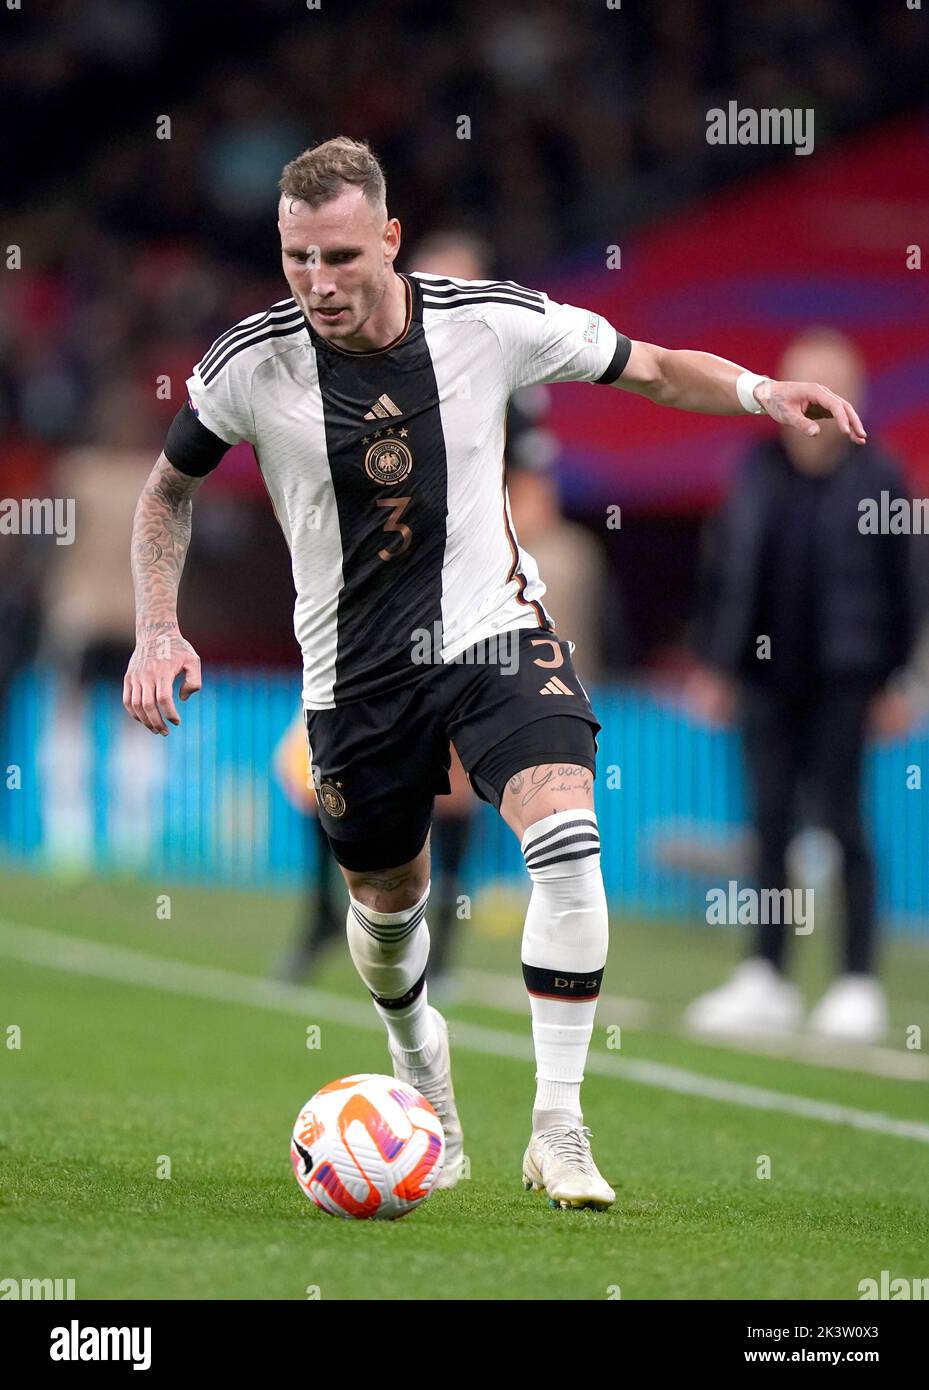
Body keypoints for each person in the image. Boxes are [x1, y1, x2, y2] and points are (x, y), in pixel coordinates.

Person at [123, 137, 866, 1210]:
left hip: (491, 634)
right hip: (353, 676)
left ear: (388, 237)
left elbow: (651, 366)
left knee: (567, 840)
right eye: (295, 260)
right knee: (386, 906)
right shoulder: (251, 362)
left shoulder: (488, 320)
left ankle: (557, 1128)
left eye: (339, 255)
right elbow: (165, 491)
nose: (318, 284)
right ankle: (419, 1058)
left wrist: (758, 391)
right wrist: (157, 626)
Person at [687, 328, 916, 1044]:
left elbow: (905, 589)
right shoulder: (751, 471)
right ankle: (766, 975)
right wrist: (717, 666)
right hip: (764, 681)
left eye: (829, 383)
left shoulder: (881, 478)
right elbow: (725, 577)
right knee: (768, 828)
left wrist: (894, 678)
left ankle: (854, 983)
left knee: (846, 827)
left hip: (846, 679)